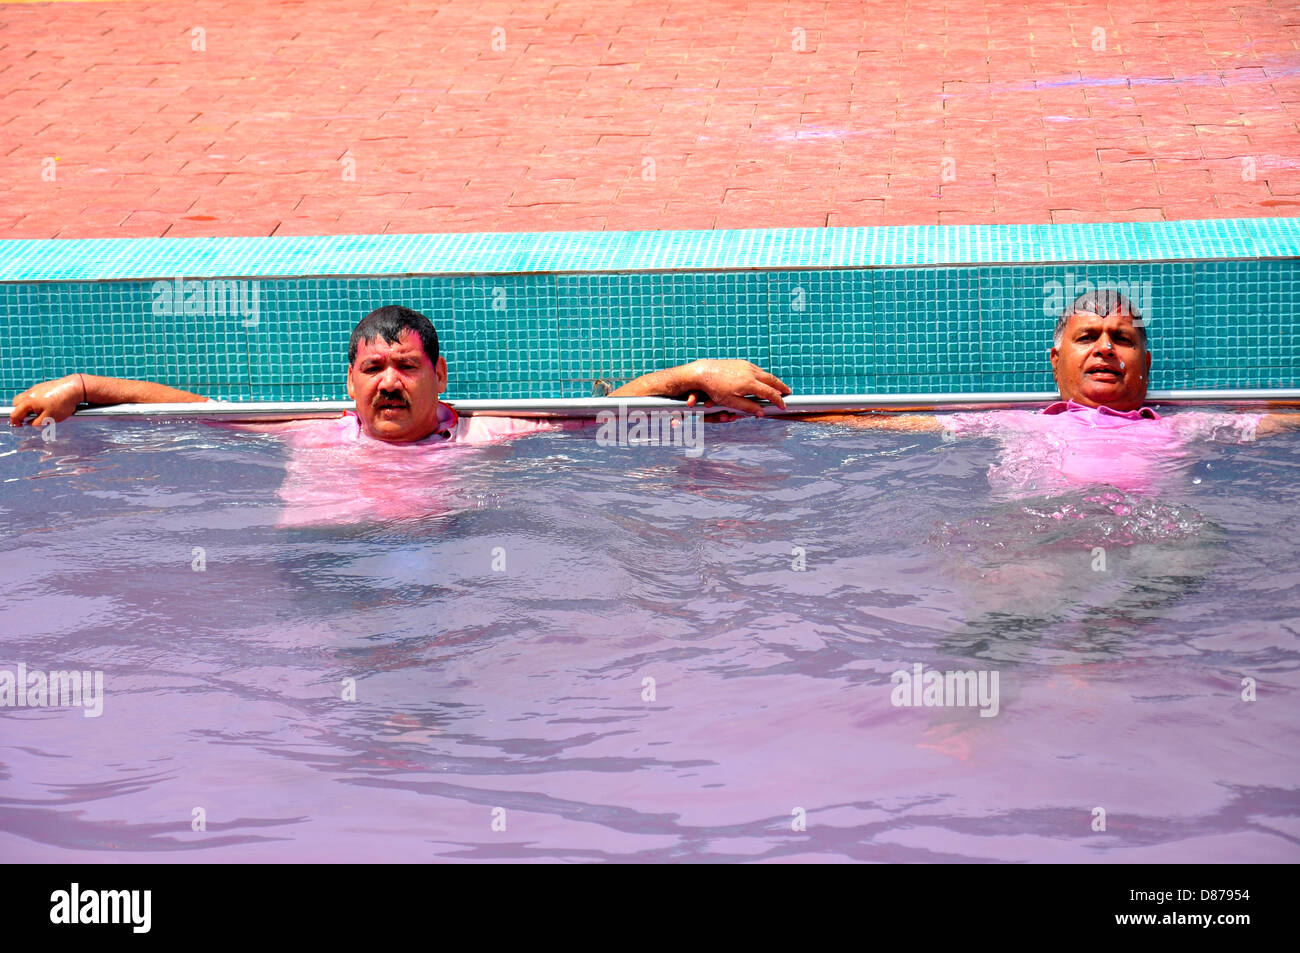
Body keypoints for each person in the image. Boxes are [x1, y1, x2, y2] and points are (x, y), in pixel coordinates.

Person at [8, 305, 793, 442]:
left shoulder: (480, 436)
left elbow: (594, 416)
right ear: (349, 382)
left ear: (438, 376)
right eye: (375, 369)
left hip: (447, 568)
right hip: (329, 573)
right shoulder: (313, 434)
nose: (390, 382)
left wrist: (697, 371)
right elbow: (197, 414)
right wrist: (83, 387)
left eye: (406, 368)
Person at [802, 289, 1298, 498]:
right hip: (1039, 536)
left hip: (1153, 539)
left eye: (1122, 339)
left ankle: (1096, 648)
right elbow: (887, 423)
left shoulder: (1188, 425)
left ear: (1145, 365)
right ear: (1056, 362)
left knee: (1196, 550)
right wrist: (767, 415)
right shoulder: (1017, 422)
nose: (1105, 348)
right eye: (1088, 338)